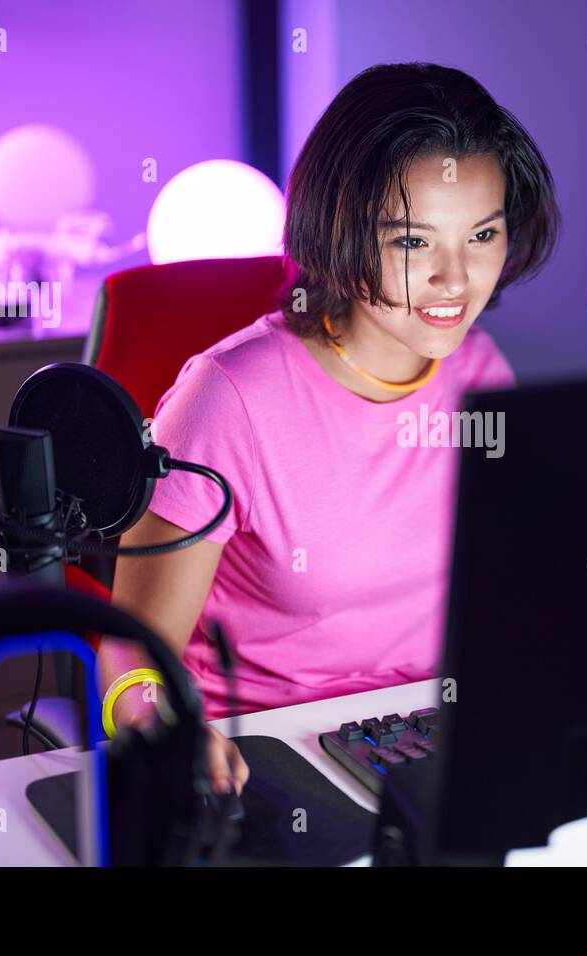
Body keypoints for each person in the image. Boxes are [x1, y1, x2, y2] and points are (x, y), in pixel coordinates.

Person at [102, 62, 560, 796]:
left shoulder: (480, 370)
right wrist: (164, 730)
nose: (454, 279)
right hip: (262, 755)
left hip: (418, 740)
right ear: (340, 233)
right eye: (413, 242)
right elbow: (132, 652)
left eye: (481, 234)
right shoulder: (228, 398)